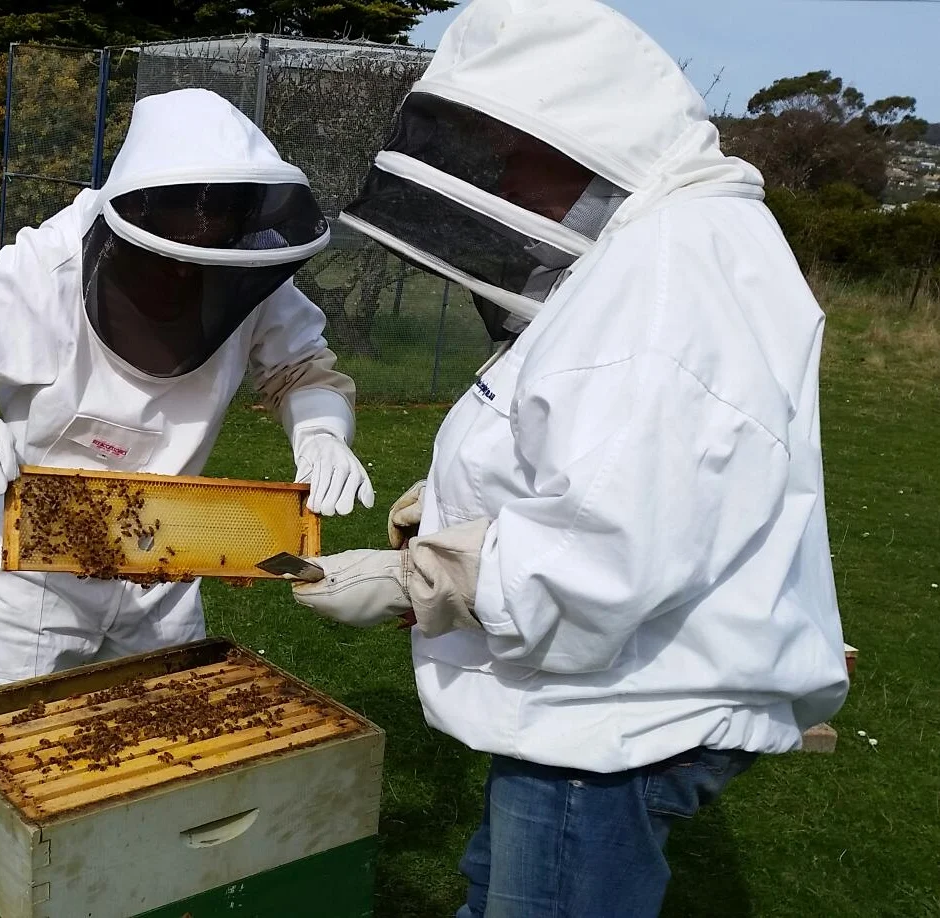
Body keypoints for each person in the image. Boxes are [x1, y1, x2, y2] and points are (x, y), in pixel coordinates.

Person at [290, 1, 850, 915]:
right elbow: (606, 456)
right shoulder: (662, 250)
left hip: (611, 728)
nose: (502, 177)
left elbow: (607, 551)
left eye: (510, 150)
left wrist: (418, 577)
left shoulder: (668, 277)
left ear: (580, 135)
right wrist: (441, 513)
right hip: (605, 710)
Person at [0, 88, 374, 697]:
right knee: (5, 760)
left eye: (209, 252)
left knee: (164, 755)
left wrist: (321, 431)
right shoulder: (52, 262)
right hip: (25, 572)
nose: (189, 274)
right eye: (173, 257)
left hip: (162, 568)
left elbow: (303, 369)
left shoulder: (243, 270)